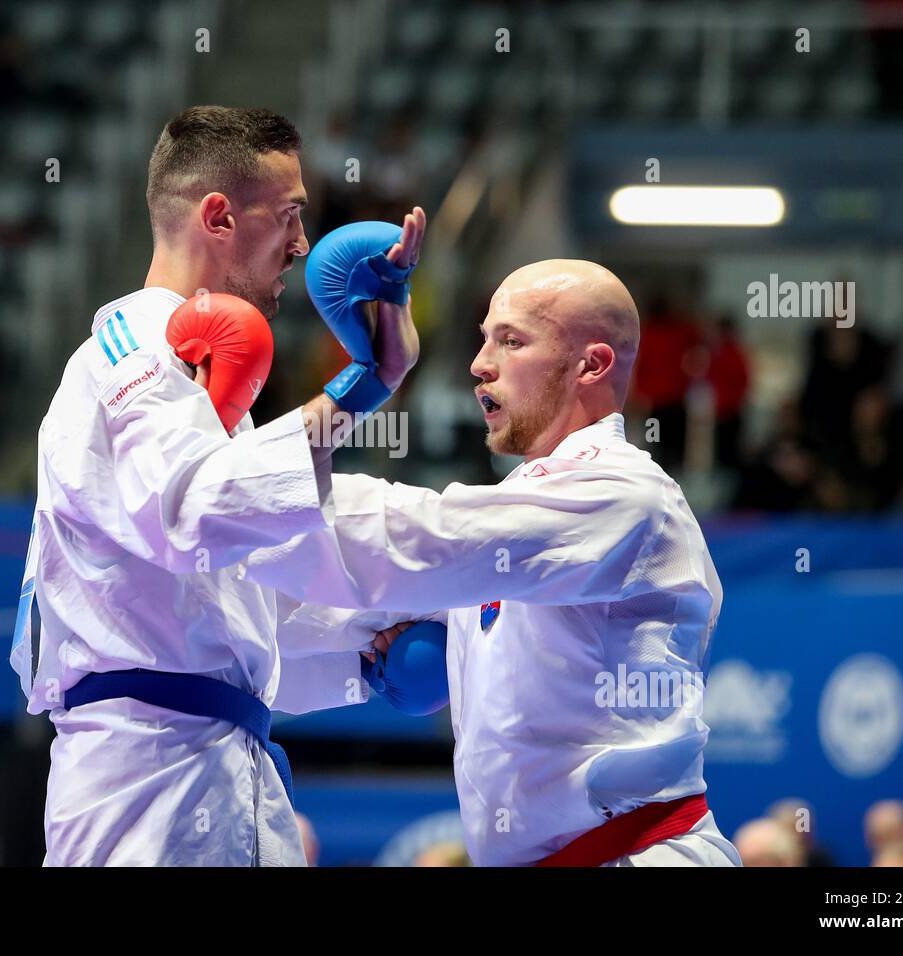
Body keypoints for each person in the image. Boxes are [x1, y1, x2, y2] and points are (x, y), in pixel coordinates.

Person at [13, 104, 426, 865]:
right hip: (146, 788)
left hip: (215, 761)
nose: (303, 245)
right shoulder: (132, 346)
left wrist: (369, 652)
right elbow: (191, 513)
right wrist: (360, 390)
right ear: (218, 216)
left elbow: (234, 626)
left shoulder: (203, 391)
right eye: (291, 215)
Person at [245, 260, 740, 866]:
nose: (480, 363)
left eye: (511, 340)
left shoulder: (626, 494)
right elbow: (327, 617)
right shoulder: (517, 523)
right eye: (483, 338)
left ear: (592, 364)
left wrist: (240, 476)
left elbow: (418, 539)